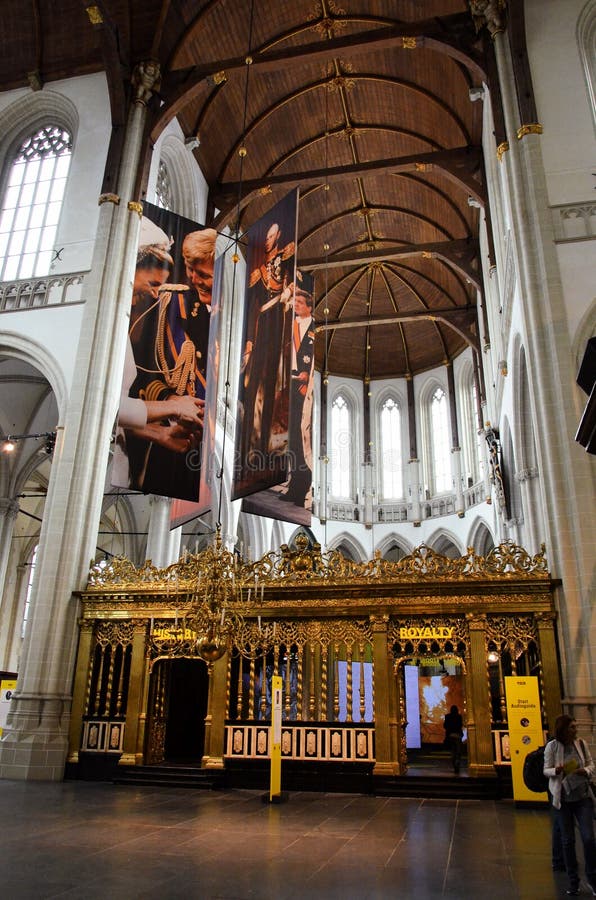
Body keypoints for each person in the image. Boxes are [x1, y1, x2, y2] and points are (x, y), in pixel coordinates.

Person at [124, 224, 217, 500]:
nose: (193, 279)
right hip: (173, 431)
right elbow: (144, 372)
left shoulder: (241, 317)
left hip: (216, 443)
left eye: (203, 274)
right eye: (191, 270)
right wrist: (172, 399)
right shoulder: (171, 304)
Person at [240, 221, 295, 476]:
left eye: (272, 236)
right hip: (261, 332)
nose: (268, 240)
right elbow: (252, 308)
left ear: (278, 236)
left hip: (277, 333)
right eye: (267, 236)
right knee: (252, 390)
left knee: (271, 390)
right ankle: (244, 448)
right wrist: (249, 341)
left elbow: (291, 294)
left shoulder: (285, 264)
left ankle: (262, 450)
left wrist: (287, 296)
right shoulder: (258, 273)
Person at [544, 714, 596, 896]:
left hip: (582, 797)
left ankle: (593, 878)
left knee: (589, 838)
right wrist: (556, 770)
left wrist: (586, 771)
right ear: (563, 729)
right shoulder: (552, 746)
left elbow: (591, 764)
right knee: (567, 841)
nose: (575, 730)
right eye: (572, 727)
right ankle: (573, 881)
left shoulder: (581, 744)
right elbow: (546, 769)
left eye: (575, 727)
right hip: (563, 799)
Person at [279, 285, 315, 506]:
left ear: (309, 307)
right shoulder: (290, 325)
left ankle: (304, 486)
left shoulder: (314, 329)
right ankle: (294, 485)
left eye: (300, 303)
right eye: (295, 303)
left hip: (305, 387)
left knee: (304, 438)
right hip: (289, 382)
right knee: (292, 438)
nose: (296, 306)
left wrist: (307, 374)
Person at [443, 704, 464, 774]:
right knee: (458, 751)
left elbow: (445, 726)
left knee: (453, 751)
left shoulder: (447, 716)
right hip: (458, 735)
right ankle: (457, 764)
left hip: (451, 735)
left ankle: (455, 764)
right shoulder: (459, 716)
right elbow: (460, 725)